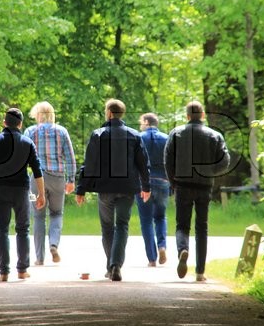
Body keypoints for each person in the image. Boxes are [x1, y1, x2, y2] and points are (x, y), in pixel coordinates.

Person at [75, 99, 150, 282]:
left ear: (108, 113)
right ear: (121, 114)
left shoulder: (98, 135)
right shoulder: (134, 135)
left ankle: (111, 266)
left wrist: (81, 189)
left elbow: (90, 165)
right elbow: (143, 164)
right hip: (127, 188)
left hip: (105, 188)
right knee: (122, 226)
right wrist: (146, 187)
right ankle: (116, 265)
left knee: (107, 228)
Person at [0, 108, 46, 282]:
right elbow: (37, 170)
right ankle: (22, 270)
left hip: (0, 190)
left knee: (2, 231)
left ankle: (4, 272)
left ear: (4, 122)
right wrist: (41, 194)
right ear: (20, 124)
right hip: (21, 191)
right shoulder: (27, 143)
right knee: (23, 229)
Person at [164, 101, 230, 282]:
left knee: (182, 225)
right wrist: (209, 172)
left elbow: (167, 160)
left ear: (187, 116)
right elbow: (225, 162)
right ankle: (200, 272)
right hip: (204, 186)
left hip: (183, 185)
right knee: (202, 227)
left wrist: (173, 183)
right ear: (202, 115)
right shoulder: (214, 135)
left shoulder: (176, 133)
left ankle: (182, 250)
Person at [24, 101, 77, 266]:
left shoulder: (30, 132)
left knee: (38, 217)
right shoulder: (61, 131)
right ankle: (53, 244)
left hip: (37, 179)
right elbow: (70, 157)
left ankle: (40, 258)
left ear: (38, 115)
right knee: (57, 213)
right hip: (57, 178)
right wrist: (71, 180)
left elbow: (22, 155)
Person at [135, 113, 170, 267]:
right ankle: (162, 246)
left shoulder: (138, 137)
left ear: (147, 122)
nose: (140, 125)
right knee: (160, 217)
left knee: (146, 220)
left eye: (141, 122)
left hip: (143, 183)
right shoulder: (166, 138)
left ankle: (152, 258)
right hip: (163, 181)